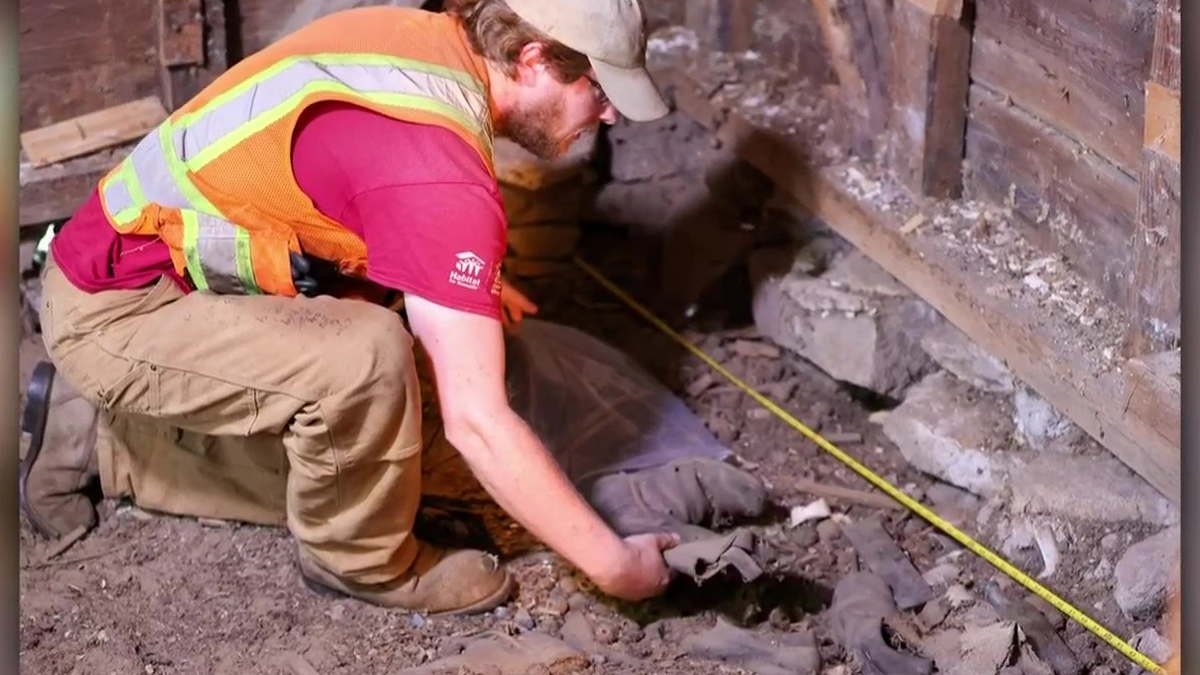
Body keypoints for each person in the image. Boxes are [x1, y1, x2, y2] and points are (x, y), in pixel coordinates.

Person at [21, 0, 764, 617]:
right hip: (116, 316)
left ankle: (98, 427)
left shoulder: (425, 39)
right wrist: (613, 564)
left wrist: (448, 276)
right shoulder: (443, 179)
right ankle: (361, 559)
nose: (606, 116)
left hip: (155, 266)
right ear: (535, 59)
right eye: (598, 90)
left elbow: (353, 183)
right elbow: (480, 423)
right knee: (368, 363)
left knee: (389, 403)